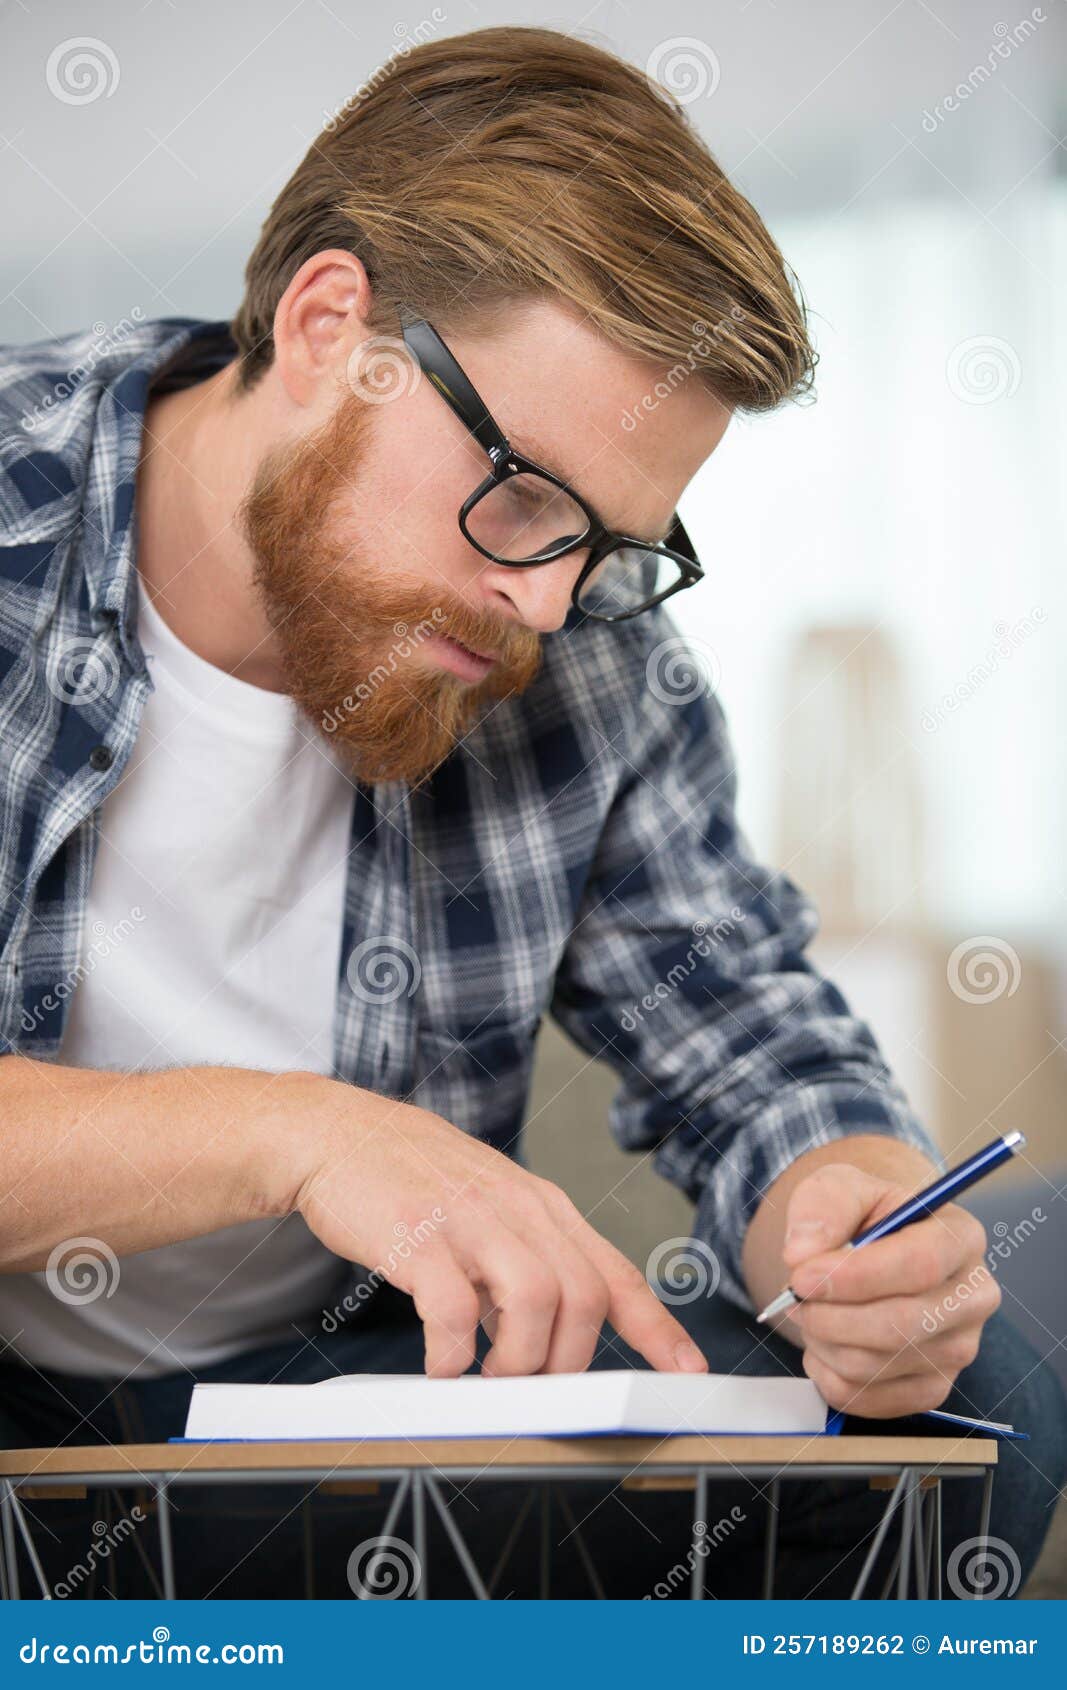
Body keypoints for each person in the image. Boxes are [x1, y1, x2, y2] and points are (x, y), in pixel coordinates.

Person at [0, 25, 1061, 1599]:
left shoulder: (582, 640)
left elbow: (751, 1037)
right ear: (327, 323)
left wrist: (840, 1215)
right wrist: (302, 1136)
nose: (548, 607)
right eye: (523, 496)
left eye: (614, 545)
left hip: (315, 1410)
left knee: (985, 1396)